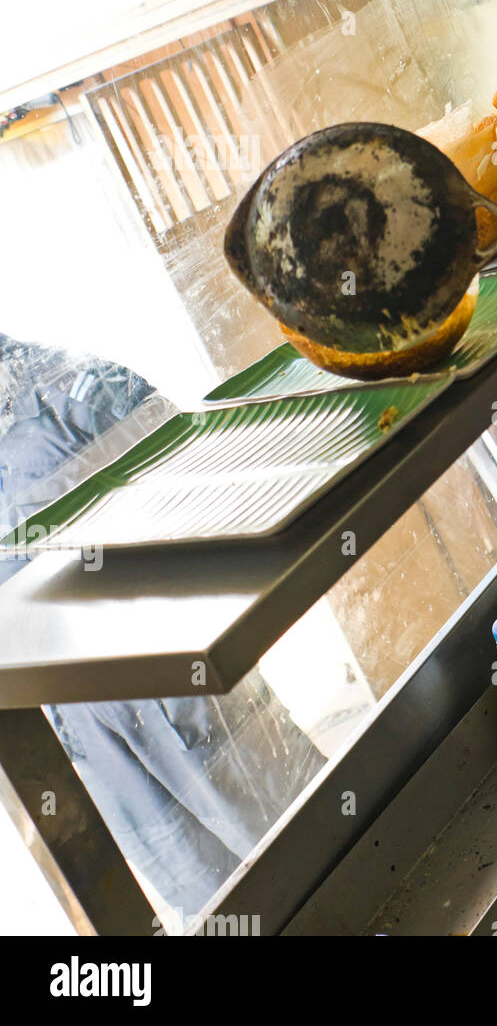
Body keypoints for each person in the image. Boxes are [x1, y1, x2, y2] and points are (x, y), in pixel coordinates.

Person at [0, 332, 324, 923]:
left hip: (179, 689)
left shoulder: (63, 385)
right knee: (216, 908)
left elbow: (190, 465)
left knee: (311, 841)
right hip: (85, 744)